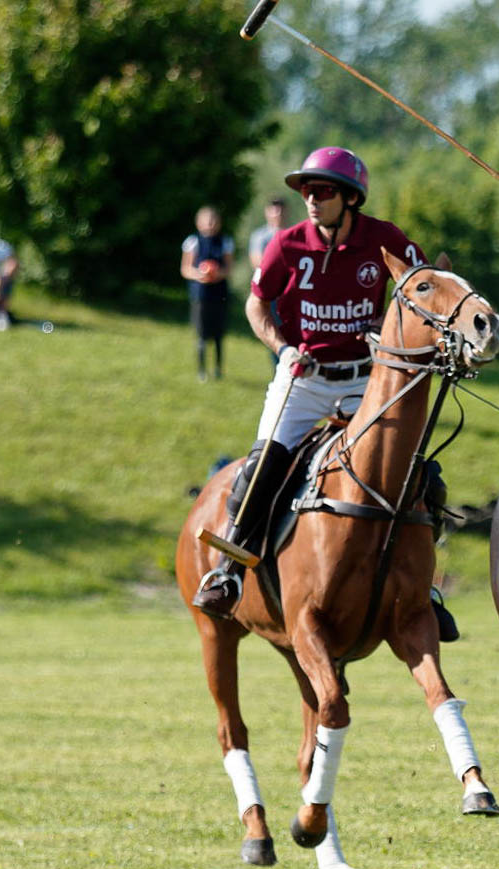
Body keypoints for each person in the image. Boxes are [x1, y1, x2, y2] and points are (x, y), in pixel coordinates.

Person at [192, 147, 447, 632]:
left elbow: (422, 285)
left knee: (420, 474)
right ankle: (228, 572)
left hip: (366, 382)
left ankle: (425, 585)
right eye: (307, 191)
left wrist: (392, 324)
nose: (311, 199)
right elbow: (256, 305)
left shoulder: (383, 239)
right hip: (304, 382)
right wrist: (283, 347)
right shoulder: (287, 244)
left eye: (323, 191)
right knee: (259, 470)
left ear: (350, 198)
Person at [181, 206, 234, 381]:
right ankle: (202, 370)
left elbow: (228, 268)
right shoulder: (193, 241)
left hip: (219, 293)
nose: (211, 224)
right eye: (207, 220)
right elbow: (185, 269)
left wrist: (217, 274)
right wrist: (200, 275)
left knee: (219, 333)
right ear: (199, 223)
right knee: (201, 333)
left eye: (214, 220)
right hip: (201, 295)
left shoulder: (225, 241)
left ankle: (218, 369)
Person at [248, 198, 288, 271]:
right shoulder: (259, 236)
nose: (278, 214)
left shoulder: (292, 234)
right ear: (267, 212)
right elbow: (257, 262)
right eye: (275, 211)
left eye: (281, 211)